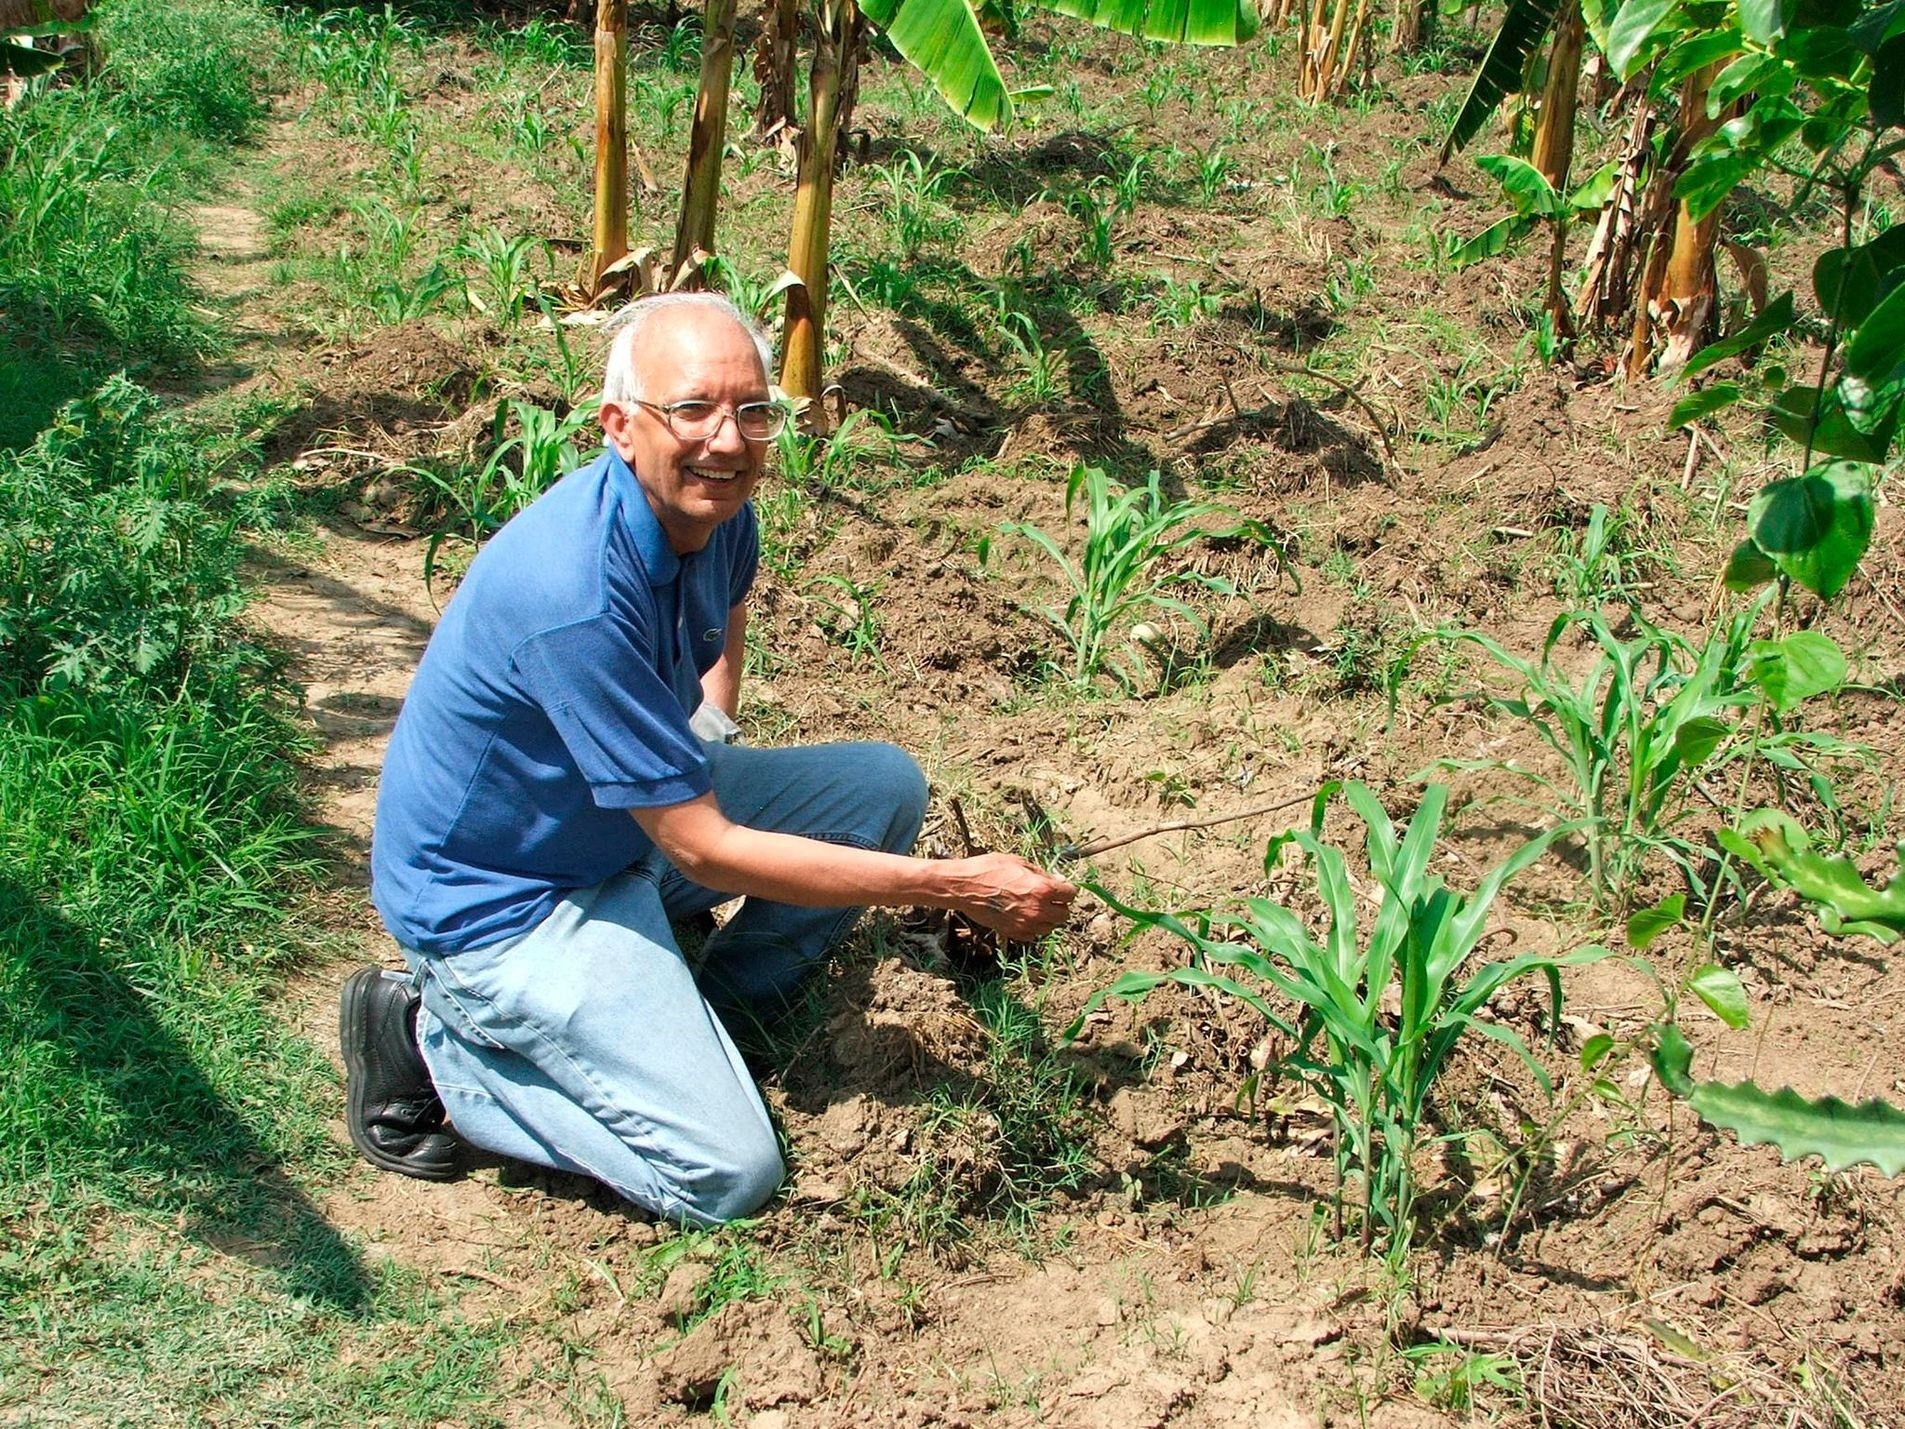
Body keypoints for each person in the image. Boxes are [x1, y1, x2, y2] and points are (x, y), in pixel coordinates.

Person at [343, 292, 1076, 1225]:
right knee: (726, 1175)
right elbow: (702, 848)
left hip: (615, 829)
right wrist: (949, 883)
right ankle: (436, 1044)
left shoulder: (716, 512)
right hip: (504, 904)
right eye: (691, 410)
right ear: (619, 426)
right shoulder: (571, 592)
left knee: (879, 787)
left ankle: (709, 1020)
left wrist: (709, 729)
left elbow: (725, 611)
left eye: (753, 410)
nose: (726, 441)